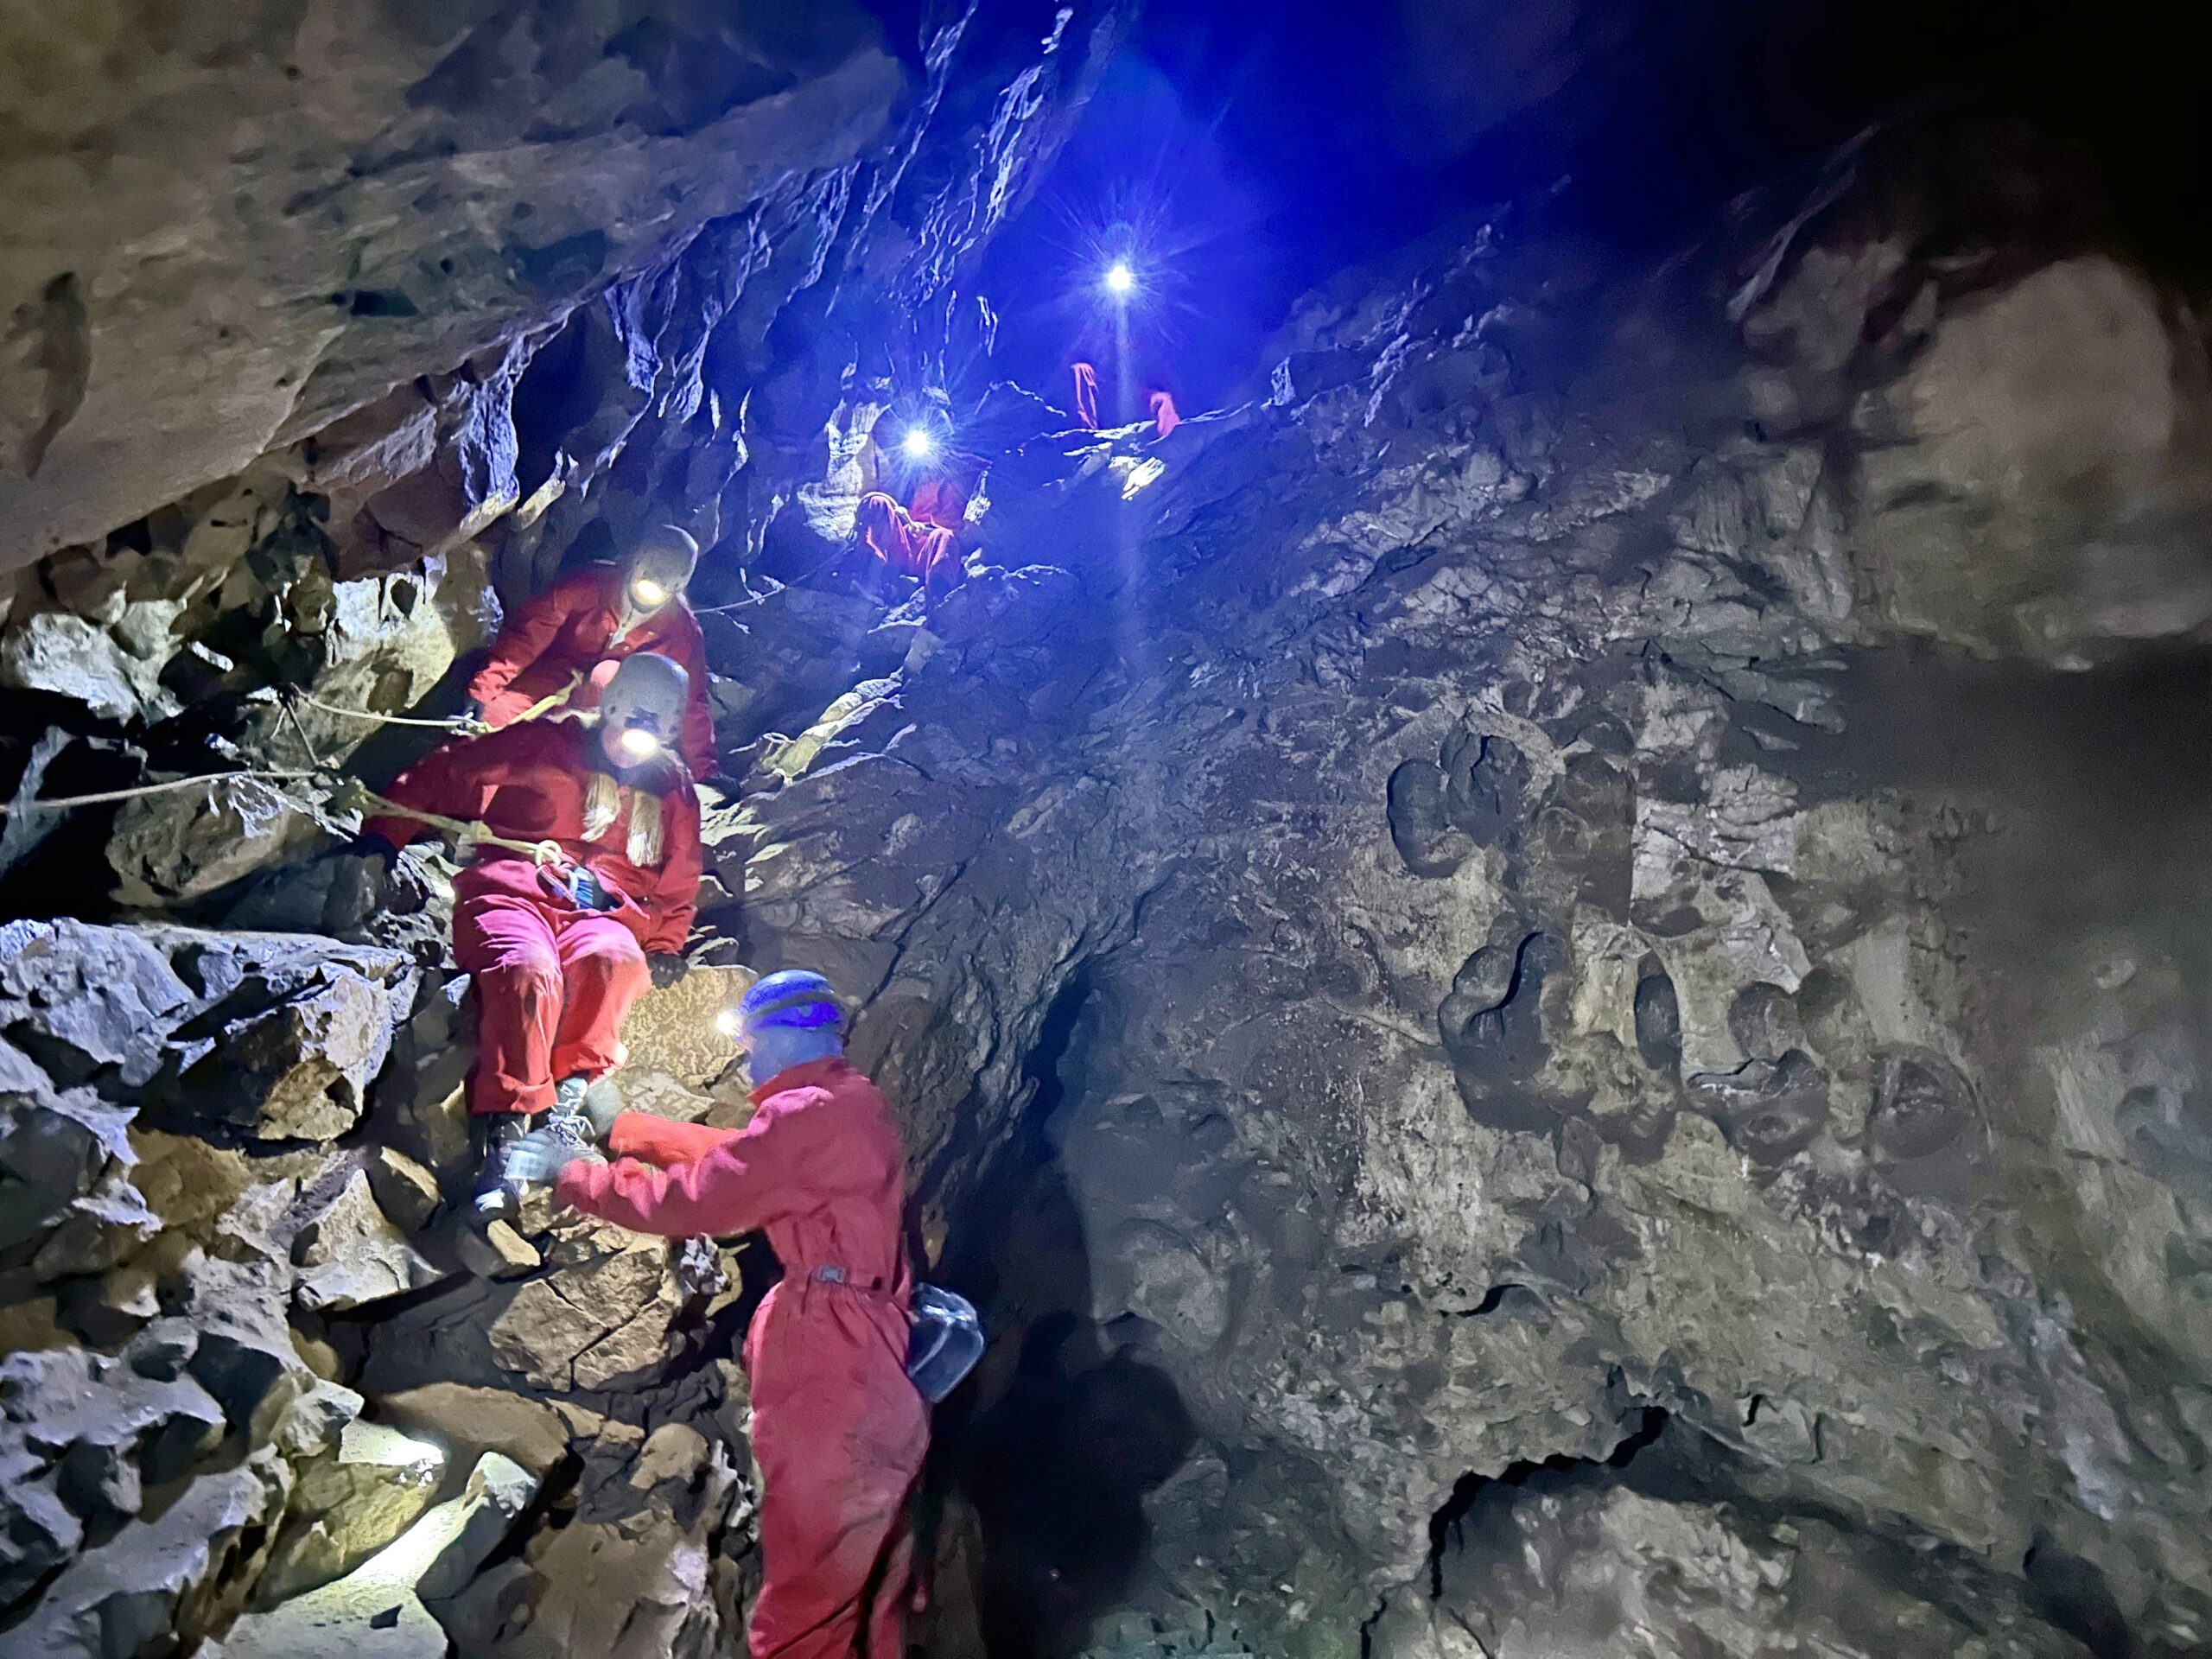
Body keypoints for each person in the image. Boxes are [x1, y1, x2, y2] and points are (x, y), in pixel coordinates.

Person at [505, 971, 927, 1659]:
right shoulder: (851, 1103)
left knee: (806, 1612)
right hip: (883, 1373)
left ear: (784, 1036)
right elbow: (753, 1160)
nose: (745, 1060)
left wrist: (576, 1173)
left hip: (836, 1373)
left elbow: (703, 1199)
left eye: (752, 1044)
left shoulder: (809, 1116)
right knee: (876, 1589)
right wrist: (628, 1128)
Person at [358, 653, 703, 1222]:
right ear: (611, 710)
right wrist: (384, 833)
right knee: (527, 973)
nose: (630, 746)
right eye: (626, 728)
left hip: (600, 912)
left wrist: (666, 942)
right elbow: (451, 771)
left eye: (648, 734)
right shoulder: (549, 745)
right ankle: (507, 1136)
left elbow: (678, 877)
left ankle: (566, 1099)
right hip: (514, 891)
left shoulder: (671, 788)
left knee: (615, 963)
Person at [467, 524, 717, 777]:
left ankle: (576, 769)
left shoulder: (681, 632)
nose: (652, 584)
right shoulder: (590, 585)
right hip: (556, 674)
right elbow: (527, 636)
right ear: (636, 561)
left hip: (614, 707)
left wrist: (704, 769)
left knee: (605, 677)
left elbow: (690, 699)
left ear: (678, 585)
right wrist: (483, 690)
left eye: (664, 581)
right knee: (495, 718)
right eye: (648, 572)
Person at [855, 493, 964, 599]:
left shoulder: (954, 489)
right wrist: (909, 528)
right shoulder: (915, 486)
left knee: (944, 535)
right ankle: (873, 577)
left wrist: (926, 531)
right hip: (902, 548)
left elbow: (962, 534)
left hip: (925, 555)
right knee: (877, 501)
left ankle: (938, 589)